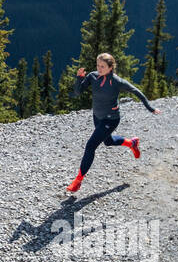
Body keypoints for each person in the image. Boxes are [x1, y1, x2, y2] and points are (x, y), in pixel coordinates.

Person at [67, 52, 161, 194]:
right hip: (97, 116)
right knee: (108, 141)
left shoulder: (117, 81)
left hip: (111, 119)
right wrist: (78, 78)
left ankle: (78, 180)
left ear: (111, 67)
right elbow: (78, 92)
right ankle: (132, 143)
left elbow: (136, 91)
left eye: (103, 66)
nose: (99, 68)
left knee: (90, 145)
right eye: (98, 65)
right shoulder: (92, 76)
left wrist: (150, 107)